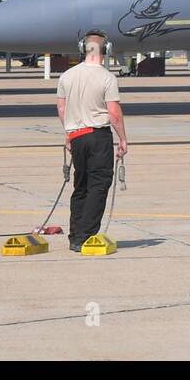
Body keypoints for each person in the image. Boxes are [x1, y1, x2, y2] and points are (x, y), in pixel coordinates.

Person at [56, 29, 128, 251]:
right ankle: (86, 235)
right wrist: (123, 139)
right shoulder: (107, 78)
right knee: (99, 184)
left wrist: (69, 133)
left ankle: (74, 235)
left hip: (77, 136)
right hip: (98, 136)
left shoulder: (66, 76)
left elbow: (61, 108)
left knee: (81, 185)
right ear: (106, 50)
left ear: (82, 49)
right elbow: (114, 113)